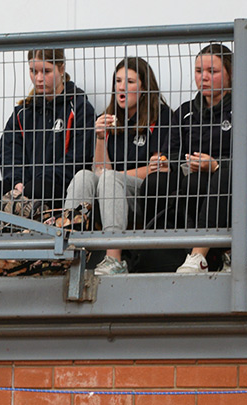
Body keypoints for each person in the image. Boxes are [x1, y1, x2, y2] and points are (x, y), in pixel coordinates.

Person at [154, 42, 247, 275]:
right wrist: (187, 164)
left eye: (212, 72)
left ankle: (200, 255)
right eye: (199, 71)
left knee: (224, 176)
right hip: (195, 183)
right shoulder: (185, 111)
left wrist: (216, 165)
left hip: (244, 189)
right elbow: (171, 155)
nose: (203, 77)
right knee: (160, 182)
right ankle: (158, 255)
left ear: (231, 74)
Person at [56, 56, 175, 276]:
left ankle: (115, 259)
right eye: (118, 81)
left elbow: (157, 167)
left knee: (110, 179)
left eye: (129, 82)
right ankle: (69, 251)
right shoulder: (106, 117)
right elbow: (100, 170)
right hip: (109, 194)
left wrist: (115, 176)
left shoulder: (162, 116)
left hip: (141, 196)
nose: (121, 87)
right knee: (83, 175)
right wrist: (100, 138)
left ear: (144, 86)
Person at [0, 49, 95, 215]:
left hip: (58, 189)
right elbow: (9, 151)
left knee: (38, 188)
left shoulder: (79, 108)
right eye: (33, 71)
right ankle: (2, 235)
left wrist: (39, 182)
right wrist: (17, 182)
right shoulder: (22, 112)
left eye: (46, 71)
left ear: (61, 69)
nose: (39, 78)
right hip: (24, 187)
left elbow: (78, 158)